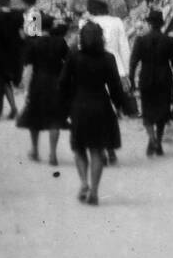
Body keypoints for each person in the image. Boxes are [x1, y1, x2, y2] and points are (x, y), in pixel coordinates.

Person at [58, 20, 131, 206]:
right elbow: (115, 87)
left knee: (79, 148)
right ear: (101, 38)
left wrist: (64, 107)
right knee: (97, 150)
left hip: (79, 106)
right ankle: (95, 191)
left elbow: (63, 84)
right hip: (101, 106)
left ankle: (83, 183)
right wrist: (121, 106)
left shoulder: (74, 57)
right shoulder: (108, 58)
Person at [129, 8, 173, 158]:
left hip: (146, 78)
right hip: (164, 79)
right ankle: (157, 141)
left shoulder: (140, 40)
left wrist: (132, 82)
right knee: (162, 113)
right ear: (161, 24)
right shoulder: (169, 41)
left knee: (147, 112)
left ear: (149, 24)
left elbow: (133, 63)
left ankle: (152, 139)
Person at [16, 14, 70, 164]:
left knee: (34, 117)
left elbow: (28, 69)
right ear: (52, 26)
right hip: (56, 82)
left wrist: (26, 89)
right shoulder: (60, 42)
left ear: (39, 27)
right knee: (55, 119)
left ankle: (35, 150)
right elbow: (68, 62)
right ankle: (53, 154)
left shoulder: (33, 43)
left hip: (38, 83)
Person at [84, 0, 132, 162]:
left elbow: (81, 48)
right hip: (115, 69)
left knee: (95, 112)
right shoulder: (117, 22)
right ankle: (111, 148)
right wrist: (127, 73)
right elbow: (124, 49)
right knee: (111, 112)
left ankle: (101, 148)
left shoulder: (85, 24)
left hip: (92, 72)